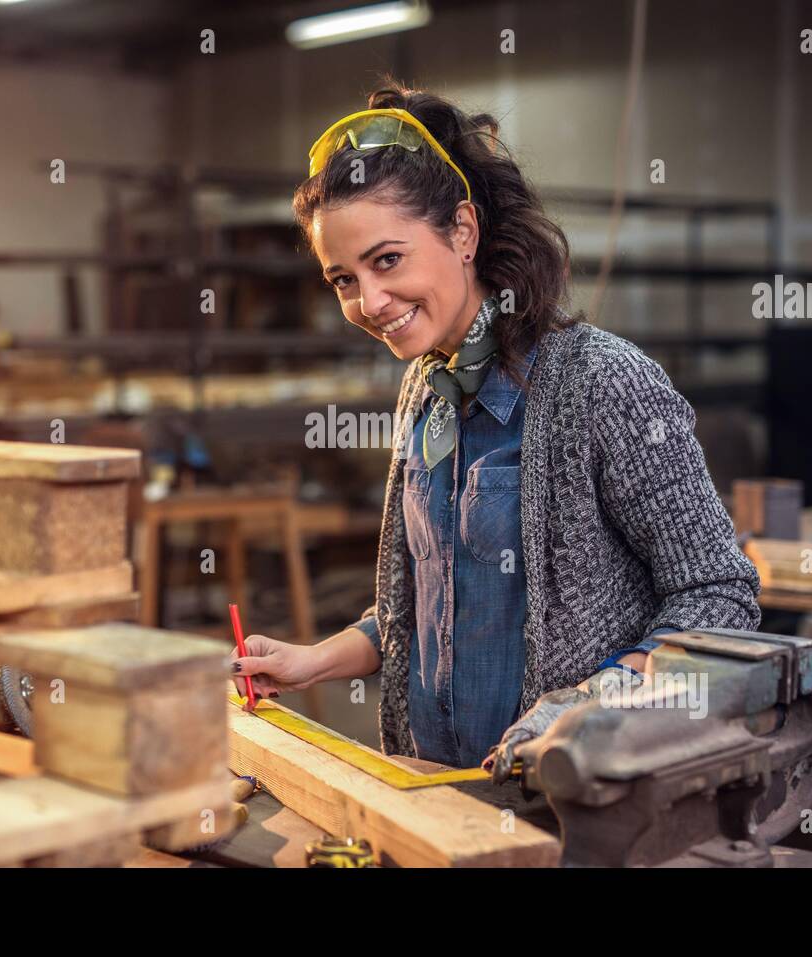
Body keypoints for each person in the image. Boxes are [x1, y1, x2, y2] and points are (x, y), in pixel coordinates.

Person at [229, 80, 761, 779]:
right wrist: (313, 660)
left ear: (463, 232)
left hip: (570, 807)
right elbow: (419, 602)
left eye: (387, 260)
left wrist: (594, 701)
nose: (369, 302)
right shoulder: (425, 388)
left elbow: (720, 593)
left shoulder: (601, 382)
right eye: (343, 280)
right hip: (437, 795)